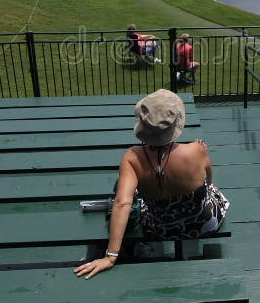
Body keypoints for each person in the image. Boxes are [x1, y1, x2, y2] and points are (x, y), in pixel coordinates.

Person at [74, 89, 229, 280]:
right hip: (204, 225)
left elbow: (122, 203)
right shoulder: (197, 150)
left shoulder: (132, 158)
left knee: (126, 191)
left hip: (160, 229)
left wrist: (110, 256)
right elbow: (209, 183)